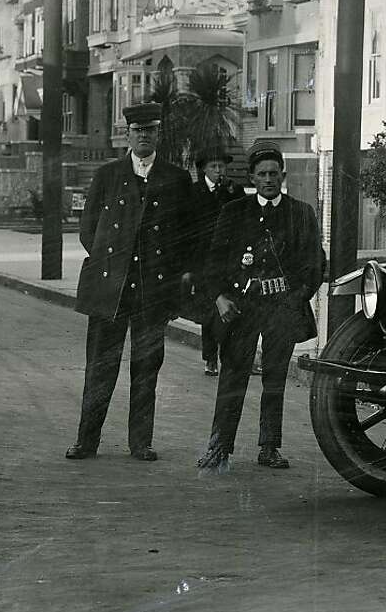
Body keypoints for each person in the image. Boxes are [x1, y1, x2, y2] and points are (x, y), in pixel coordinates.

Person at [68, 104, 188, 461]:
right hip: (111, 288)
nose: (144, 136)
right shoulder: (108, 174)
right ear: (128, 134)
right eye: (137, 130)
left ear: (158, 135)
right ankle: (87, 441)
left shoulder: (175, 178)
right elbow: (89, 229)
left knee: (146, 369)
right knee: (100, 367)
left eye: (150, 130)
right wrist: (112, 260)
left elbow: (185, 236)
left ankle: (141, 443)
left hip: (153, 289)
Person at [199, 145, 325, 472]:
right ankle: (219, 448)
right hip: (242, 307)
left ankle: (269, 446)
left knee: (275, 379)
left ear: (283, 175)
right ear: (252, 178)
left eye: (274, 173)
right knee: (232, 376)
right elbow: (213, 262)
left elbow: (314, 264)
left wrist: (298, 297)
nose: (268, 179)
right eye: (262, 174)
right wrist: (219, 297)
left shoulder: (301, 213)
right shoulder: (234, 212)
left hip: (282, 307)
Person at [181, 144, 243, 376]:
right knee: (209, 312)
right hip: (202, 261)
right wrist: (187, 268)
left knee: (229, 307)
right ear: (204, 169)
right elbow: (185, 231)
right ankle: (210, 358)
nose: (219, 171)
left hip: (229, 261)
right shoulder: (194, 193)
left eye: (222, 166)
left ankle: (228, 356)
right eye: (214, 167)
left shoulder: (234, 191)